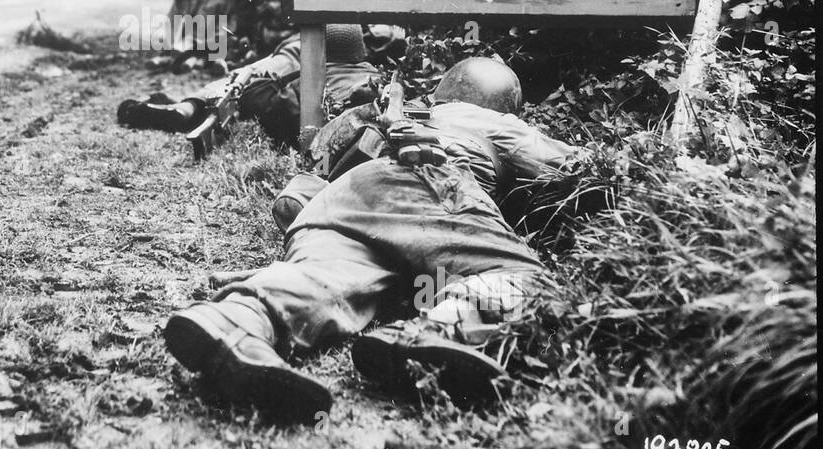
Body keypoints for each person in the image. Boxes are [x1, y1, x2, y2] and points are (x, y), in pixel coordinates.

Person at [161, 57, 589, 422]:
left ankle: (238, 320)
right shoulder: (499, 123)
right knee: (529, 282)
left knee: (325, 277)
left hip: (341, 199)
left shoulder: (399, 109)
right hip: (430, 184)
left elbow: (322, 151)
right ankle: (438, 333)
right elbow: (580, 174)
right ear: (503, 103)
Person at [118, 24, 382, 148]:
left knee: (246, 77)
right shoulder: (375, 74)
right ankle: (186, 106)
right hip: (361, 124)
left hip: (300, 54)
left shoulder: (308, 73)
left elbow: (271, 97)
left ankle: (189, 106)